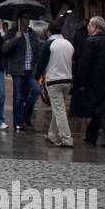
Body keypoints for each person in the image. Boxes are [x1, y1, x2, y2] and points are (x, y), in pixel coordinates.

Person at [72, 17, 105, 146]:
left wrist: (79, 83)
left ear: (94, 27)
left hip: (94, 82)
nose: (88, 29)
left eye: (89, 26)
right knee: (101, 108)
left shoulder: (91, 42)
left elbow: (85, 64)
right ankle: (91, 135)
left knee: (100, 111)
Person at [34, 18, 75, 146]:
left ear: (49, 32)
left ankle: (66, 138)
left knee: (59, 110)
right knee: (58, 108)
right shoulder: (69, 44)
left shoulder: (49, 44)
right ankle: (52, 133)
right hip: (67, 80)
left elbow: (42, 63)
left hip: (54, 80)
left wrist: (36, 76)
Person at [2, 11, 42, 131]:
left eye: (28, 18)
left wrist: (38, 66)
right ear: (19, 19)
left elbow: (37, 50)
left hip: (30, 69)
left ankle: (25, 115)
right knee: (18, 96)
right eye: (25, 18)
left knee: (35, 91)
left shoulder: (32, 33)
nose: (27, 20)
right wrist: (16, 38)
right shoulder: (12, 33)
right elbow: (5, 49)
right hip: (18, 69)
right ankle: (18, 121)